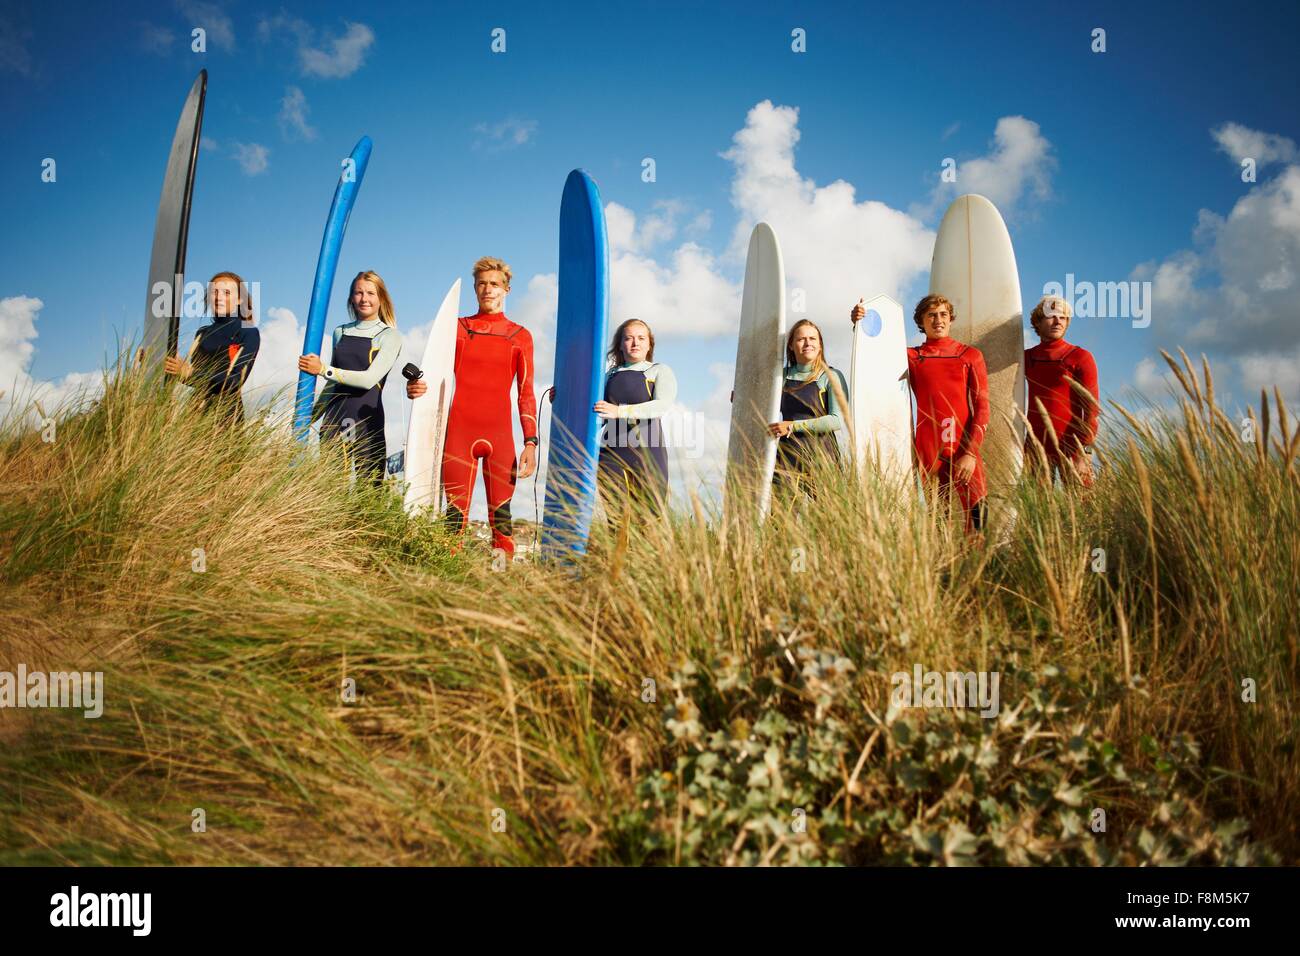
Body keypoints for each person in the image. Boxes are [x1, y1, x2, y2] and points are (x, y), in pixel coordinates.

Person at [406, 257, 537, 557]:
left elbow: (526, 393)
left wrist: (530, 441)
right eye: (481, 284)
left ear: (507, 289)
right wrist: (415, 389)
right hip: (459, 435)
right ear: (475, 289)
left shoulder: (520, 336)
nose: (487, 289)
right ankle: (449, 579)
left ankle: (499, 578)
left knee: (501, 517)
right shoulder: (457, 329)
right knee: (454, 517)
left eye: (494, 284)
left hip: (501, 438)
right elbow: (433, 376)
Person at [856, 294, 990, 530]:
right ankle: (943, 565)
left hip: (964, 447)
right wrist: (860, 322)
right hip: (929, 449)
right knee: (939, 520)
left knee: (978, 515)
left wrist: (971, 453)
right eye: (931, 315)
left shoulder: (970, 355)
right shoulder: (912, 357)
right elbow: (875, 350)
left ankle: (976, 563)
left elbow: (982, 406)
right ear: (921, 321)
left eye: (943, 315)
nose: (938, 320)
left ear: (950, 319)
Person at [299, 270, 401, 488]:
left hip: (367, 419)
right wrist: (310, 416)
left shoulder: (389, 336)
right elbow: (333, 383)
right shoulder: (340, 332)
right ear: (351, 298)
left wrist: (322, 369)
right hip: (335, 418)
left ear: (381, 298)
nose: (364, 299)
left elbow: (369, 379)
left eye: (371, 293)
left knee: (369, 491)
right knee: (331, 489)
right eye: (358, 293)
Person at [595, 318, 676, 523]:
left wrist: (620, 411)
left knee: (648, 521)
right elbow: (592, 407)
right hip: (611, 454)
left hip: (648, 454)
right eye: (628, 338)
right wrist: (560, 397)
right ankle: (615, 557)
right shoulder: (608, 375)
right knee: (616, 521)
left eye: (641, 338)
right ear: (620, 344)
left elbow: (661, 405)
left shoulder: (658, 370)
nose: (635, 343)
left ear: (649, 344)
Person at [767, 319, 848, 500]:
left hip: (823, 455)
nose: (807, 343)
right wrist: (742, 398)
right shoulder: (780, 376)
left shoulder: (830, 376)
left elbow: (836, 420)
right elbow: (760, 405)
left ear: (820, 345)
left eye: (813, 338)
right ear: (791, 345)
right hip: (788, 456)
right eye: (801, 339)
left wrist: (791, 426)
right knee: (781, 521)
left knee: (830, 520)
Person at [164, 271, 260, 421]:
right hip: (195, 411)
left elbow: (235, 381)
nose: (219, 297)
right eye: (214, 292)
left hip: (227, 417)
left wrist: (189, 373)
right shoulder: (202, 333)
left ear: (240, 299)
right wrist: (165, 362)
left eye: (226, 293)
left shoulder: (248, 331)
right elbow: (192, 377)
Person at [1024, 295, 1099, 487]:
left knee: (1082, 509)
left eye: (1063, 317)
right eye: (1052, 315)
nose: (1058, 320)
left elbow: (1092, 409)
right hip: (1036, 444)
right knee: (1037, 510)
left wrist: (1085, 450)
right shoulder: (1026, 357)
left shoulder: (1080, 357)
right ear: (1038, 322)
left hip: (1073, 444)